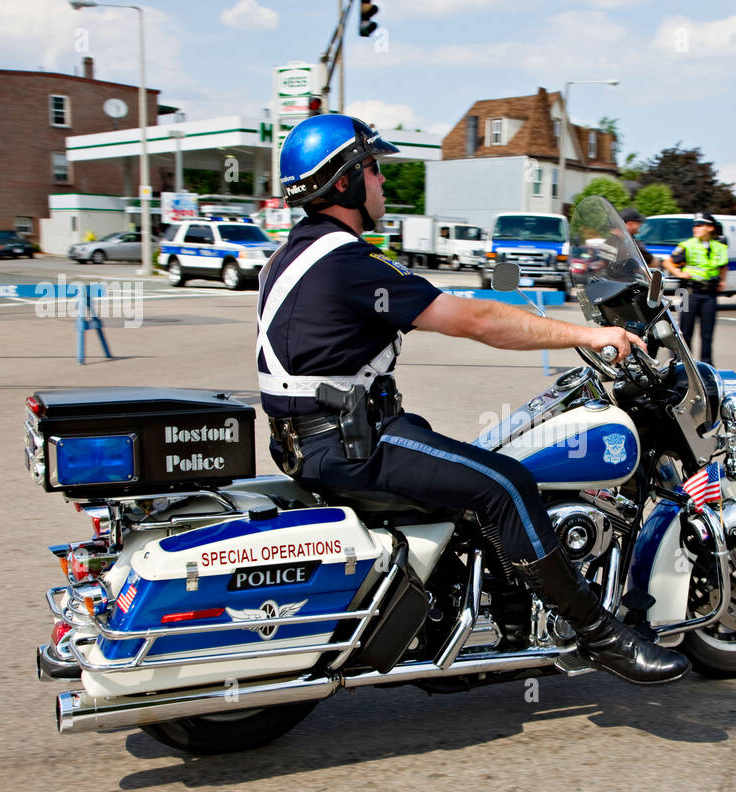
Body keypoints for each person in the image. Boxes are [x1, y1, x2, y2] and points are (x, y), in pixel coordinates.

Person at [256, 113, 689, 685]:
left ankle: (485, 611)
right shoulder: (347, 264)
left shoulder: (288, 258)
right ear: (344, 183)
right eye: (374, 169)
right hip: (351, 447)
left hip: (318, 441)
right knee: (507, 484)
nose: (383, 181)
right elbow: (477, 319)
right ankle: (602, 636)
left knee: (470, 463)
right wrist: (587, 335)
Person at [662, 212, 728, 363]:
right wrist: (679, 273)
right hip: (687, 291)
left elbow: (724, 267)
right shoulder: (687, 245)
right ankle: (682, 364)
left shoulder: (719, 247)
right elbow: (668, 262)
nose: (695, 228)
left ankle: (707, 367)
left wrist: (723, 281)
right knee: (684, 331)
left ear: (710, 228)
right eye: (694, 225)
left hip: (709, 293)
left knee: (707, 333)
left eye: (699, 225)